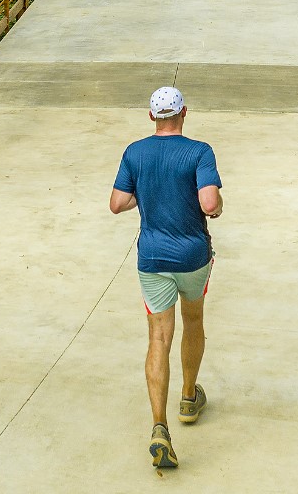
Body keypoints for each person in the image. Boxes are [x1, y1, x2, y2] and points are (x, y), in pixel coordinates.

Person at [111, 87, 222, 471]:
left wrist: (147, 192)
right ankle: (189, 398)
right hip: (192, 257)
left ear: (151, 116)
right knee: (194, 321)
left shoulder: (134, 152)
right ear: (184, 113)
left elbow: (116, 204)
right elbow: (209, 203)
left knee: (158, 337)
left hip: (152, 258)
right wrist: (217, 206)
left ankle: (159, 428)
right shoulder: (199, 152)